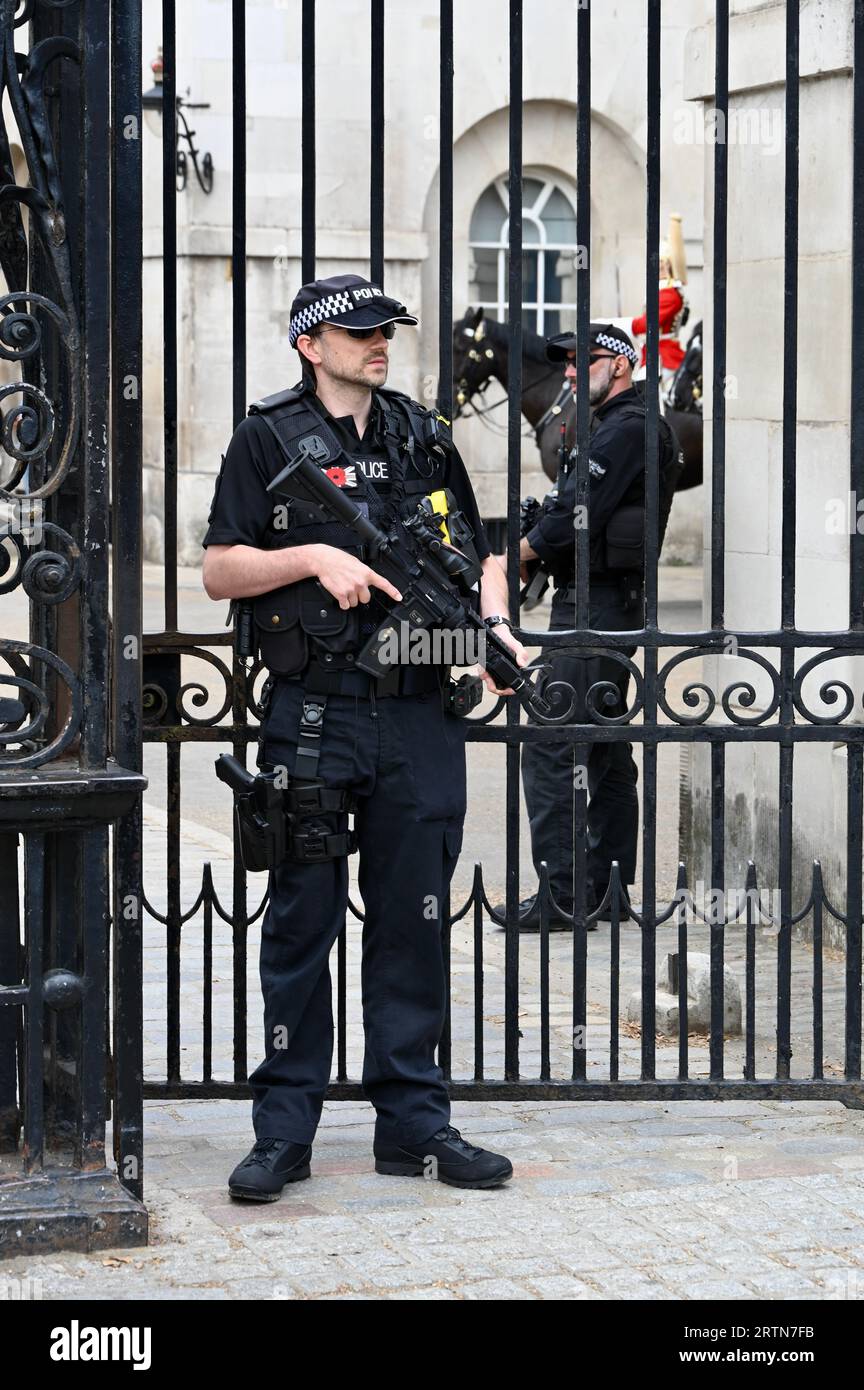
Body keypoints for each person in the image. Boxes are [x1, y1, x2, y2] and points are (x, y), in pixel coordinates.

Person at [202, 273, 529, 1198]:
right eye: (359, 332)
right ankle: (284, 1133)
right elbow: (221, 569)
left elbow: (483, 549)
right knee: (301, 926)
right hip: (315, 712)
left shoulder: (422, 432)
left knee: (413, 927)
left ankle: (415, 1126)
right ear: (311, 345)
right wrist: (313, 556)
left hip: (419, 712)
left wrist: (491, 630)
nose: (379, 342)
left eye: (387, 329)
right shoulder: (266, 437)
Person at [506, 323, 682, 930]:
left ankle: (562, 895)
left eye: (588, 361)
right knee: (603, 748)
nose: (575, 372)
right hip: (605, 604)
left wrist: (513, 555)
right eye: (569, 364)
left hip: (594, 609)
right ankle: (606, 888)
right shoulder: (616, 427)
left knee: (552, 745)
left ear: (624, 365)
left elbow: (569, 524)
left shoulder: (627, 428)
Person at [630, 213, 690, 390]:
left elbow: (649, 323)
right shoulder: (663, 288)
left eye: (663, 265)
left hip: (664, 353)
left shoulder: (669, 292)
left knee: (642, 387)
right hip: (654, 350)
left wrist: (622, 326)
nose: (660, 269)